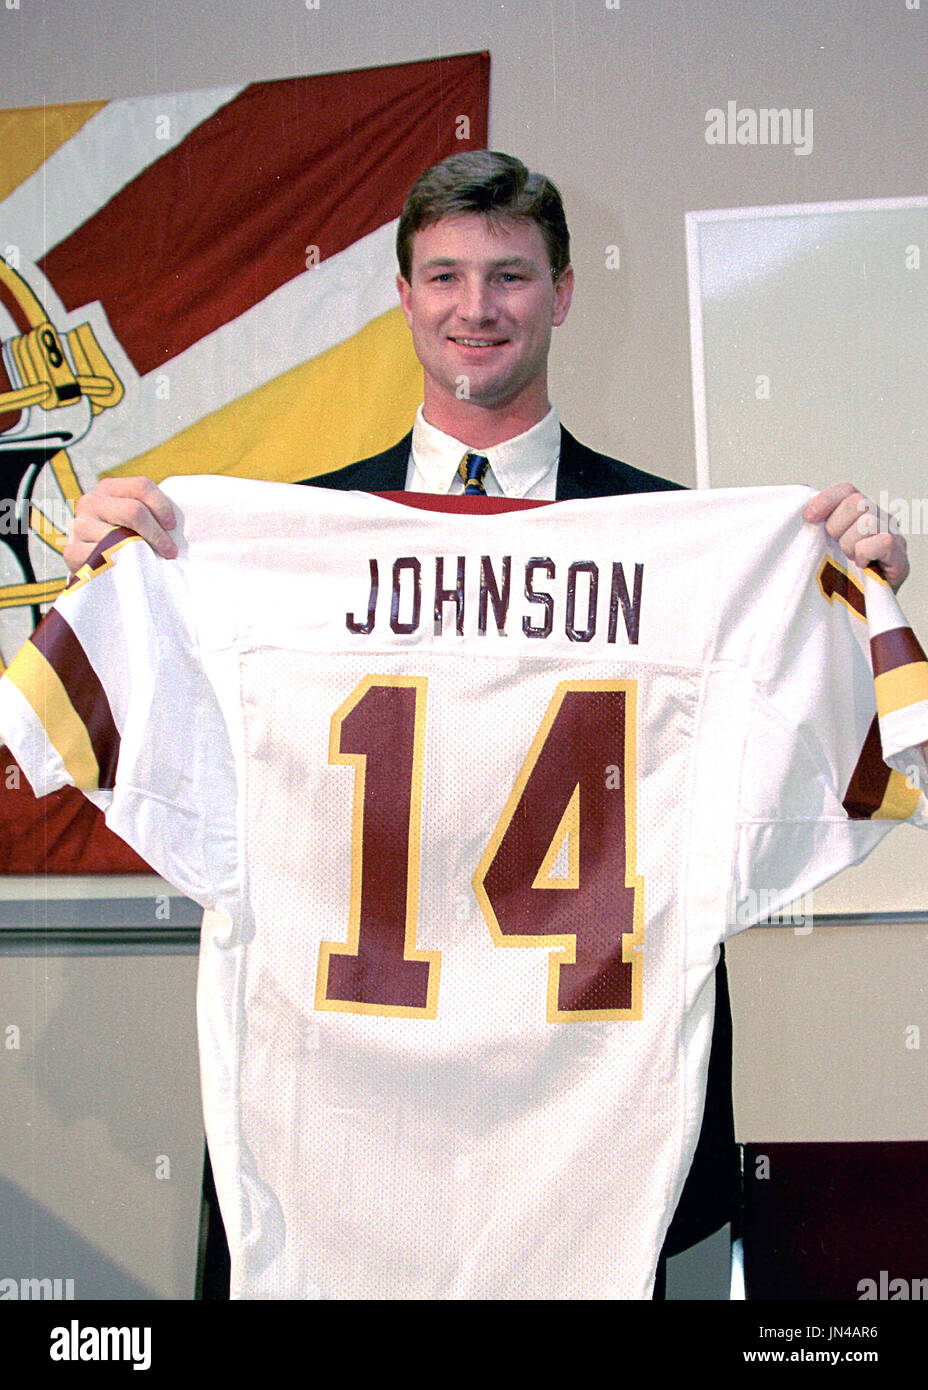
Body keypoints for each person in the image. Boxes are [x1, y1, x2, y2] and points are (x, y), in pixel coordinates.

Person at [62, 151, 910, 1296]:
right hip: (330, 1148)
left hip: (597, 1156)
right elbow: (146, 736)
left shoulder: (690, 547)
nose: (476, 308)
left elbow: (848, 750)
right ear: (404, 297)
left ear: (562, 292)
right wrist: (116, 587)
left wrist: (850, 596)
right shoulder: (268, 540)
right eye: (445, 276)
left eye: (509, 277)